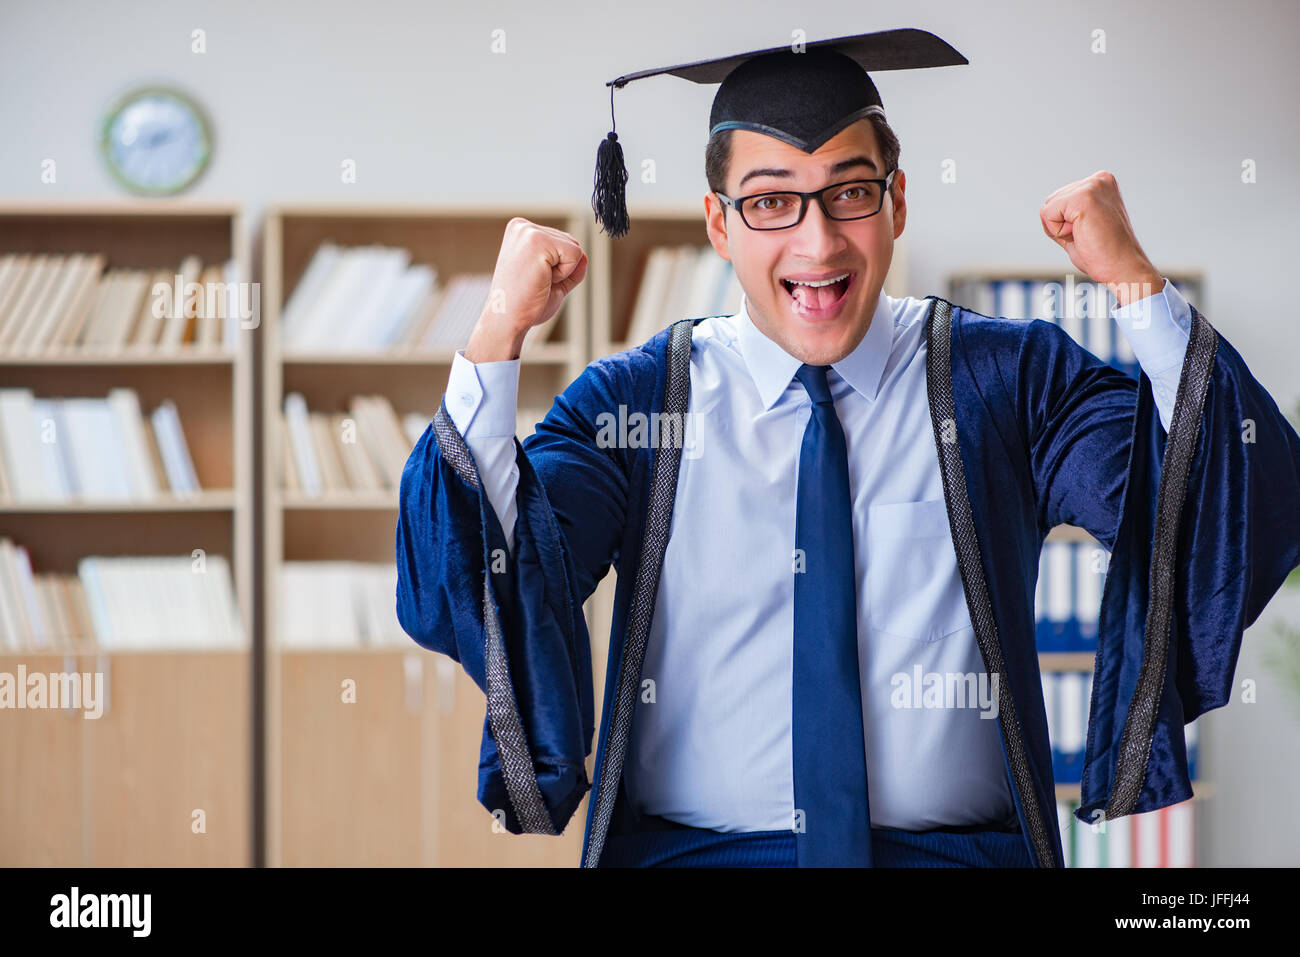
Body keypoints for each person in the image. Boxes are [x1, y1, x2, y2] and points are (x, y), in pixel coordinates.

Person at [394, 29, 1300, 868]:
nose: (818, 241)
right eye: (772, 202)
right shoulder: (638, 404)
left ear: (896, 202)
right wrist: (495, 337)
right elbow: (481, 579)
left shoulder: (1003, 382)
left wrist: (1135, 283)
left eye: (850, 193)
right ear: (719, 224)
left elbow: (1223, 494)